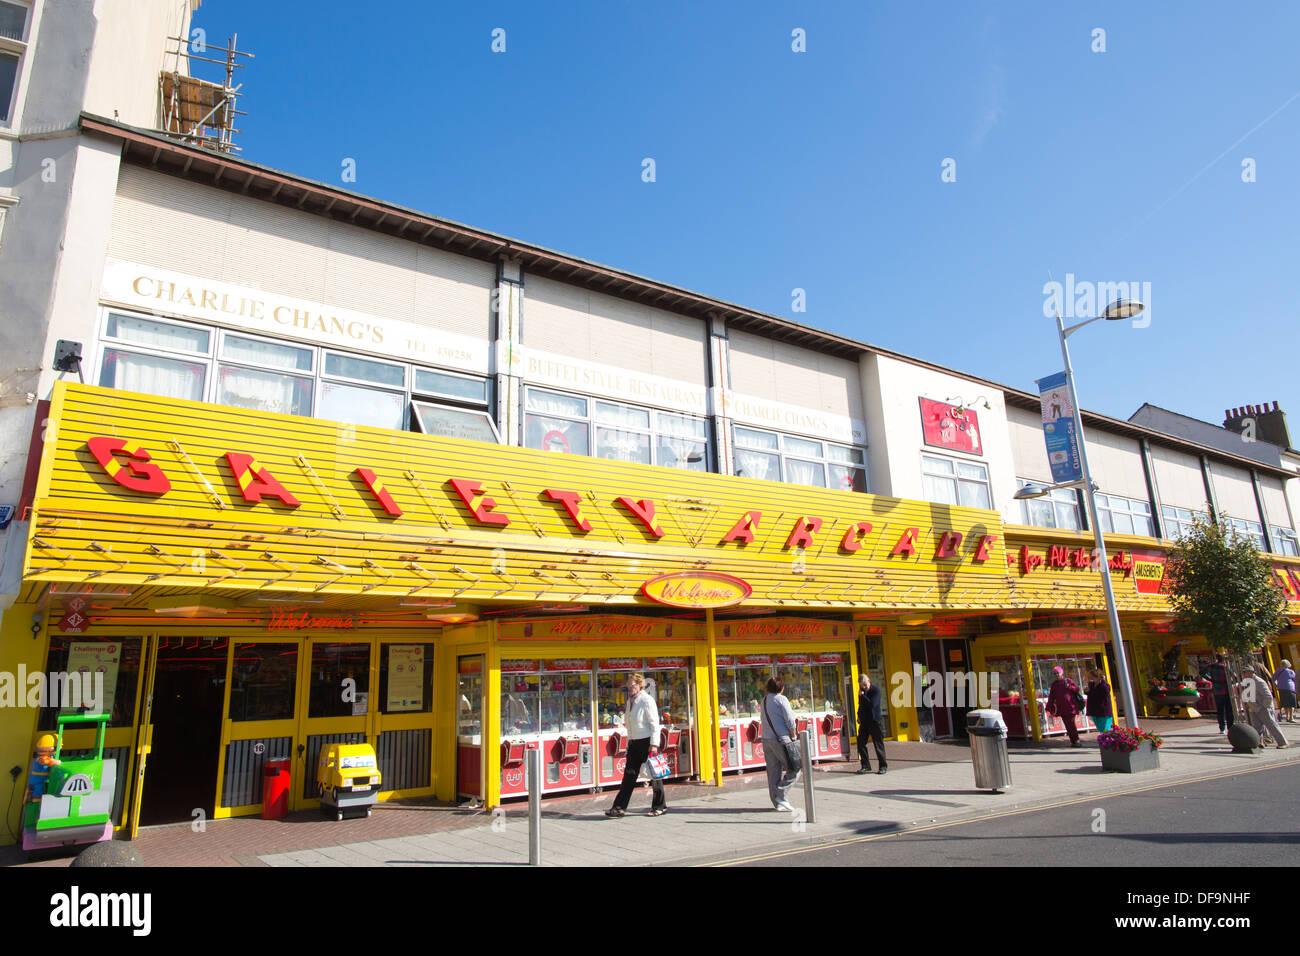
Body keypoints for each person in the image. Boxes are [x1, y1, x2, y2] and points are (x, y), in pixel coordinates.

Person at [606, 672, 666, 817]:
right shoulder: (630, 701)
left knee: (654, 774)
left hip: (646, 741)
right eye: (628, 685)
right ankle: (619, 807)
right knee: (629, 775)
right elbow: (630, 724)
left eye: (632, 685)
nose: (629, 688)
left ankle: (659, 806)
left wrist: (654, 744)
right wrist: (629, 742)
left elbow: (654, 724)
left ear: (640, 685)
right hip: (634, 742)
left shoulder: (647, 700)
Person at [760, 677, 801, 811]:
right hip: (781, 739)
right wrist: (794, 735)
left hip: (766, 739)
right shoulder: (781, 699)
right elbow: (790, 720)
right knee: (795, 767)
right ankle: (781, 793)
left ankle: (777, 802)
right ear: (781, 688)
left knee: (773, 771)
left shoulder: (764, 700)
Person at [1241, 664, 1288, 749]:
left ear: (1250, 672)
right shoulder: (1249, 681)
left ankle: (1283, 742)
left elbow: (1268, 696)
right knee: (1257, 728)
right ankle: (1259, 742)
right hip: (1255, 708)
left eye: (1244, 672)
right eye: (1243, 672)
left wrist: (1264, 707)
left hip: (1262, 708)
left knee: (1272, 726)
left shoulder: (1258, 681)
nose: (1243, 674)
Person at [855, 674, 887, 775]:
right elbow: (861, 705)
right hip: (864, 721)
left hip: (875, 721)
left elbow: (873, 704)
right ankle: (865, 765)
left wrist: (863, 696)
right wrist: (859, 715)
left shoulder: (875, 691)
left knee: (878, 744)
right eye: (861, 685)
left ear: (868, 681)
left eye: (864, 685)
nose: (863, 687)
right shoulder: (861, 692)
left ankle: (883, 766)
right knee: (860, 743)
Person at [1045, 666, 1082, 747]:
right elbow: (1052, 696)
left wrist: (1070, 686)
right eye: (1055, 674)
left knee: (1071, 724)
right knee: (1067, 725)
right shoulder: (1054, 684)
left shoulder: (1068, 681)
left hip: (1070, 706)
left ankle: (1076, 740)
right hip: (1061, 708)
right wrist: (1048, 706)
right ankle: (1073, 741)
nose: (1056, 675)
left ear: (1062, 673)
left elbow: (1077, 689)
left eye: (1057, 673)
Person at [1200, 654, 1235, 734]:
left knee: (1220, 710)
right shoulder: (1225, 667)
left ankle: (1222, 728)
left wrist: (1211, 679)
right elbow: (1234, 676)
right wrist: (1231, 682)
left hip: (1217, 690)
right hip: (1226, 689)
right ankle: (1230, 727)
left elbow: (1202, 672)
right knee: (1229, 709)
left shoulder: (1212, 666)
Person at [1085, 667, 1113, 733]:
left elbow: (1106, 692)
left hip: (1104, 712)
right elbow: (1091, 694)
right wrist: (1086, 691)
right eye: (1091, 677)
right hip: (1095, 711)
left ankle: (1107, 742)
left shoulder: (1104, 685)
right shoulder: (1091, 685)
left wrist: (1103, 681)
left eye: (1093, 677)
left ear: (1098, 677)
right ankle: (1104, 741)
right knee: (1100, 729)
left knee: (1105, 730)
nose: (1092, 679)